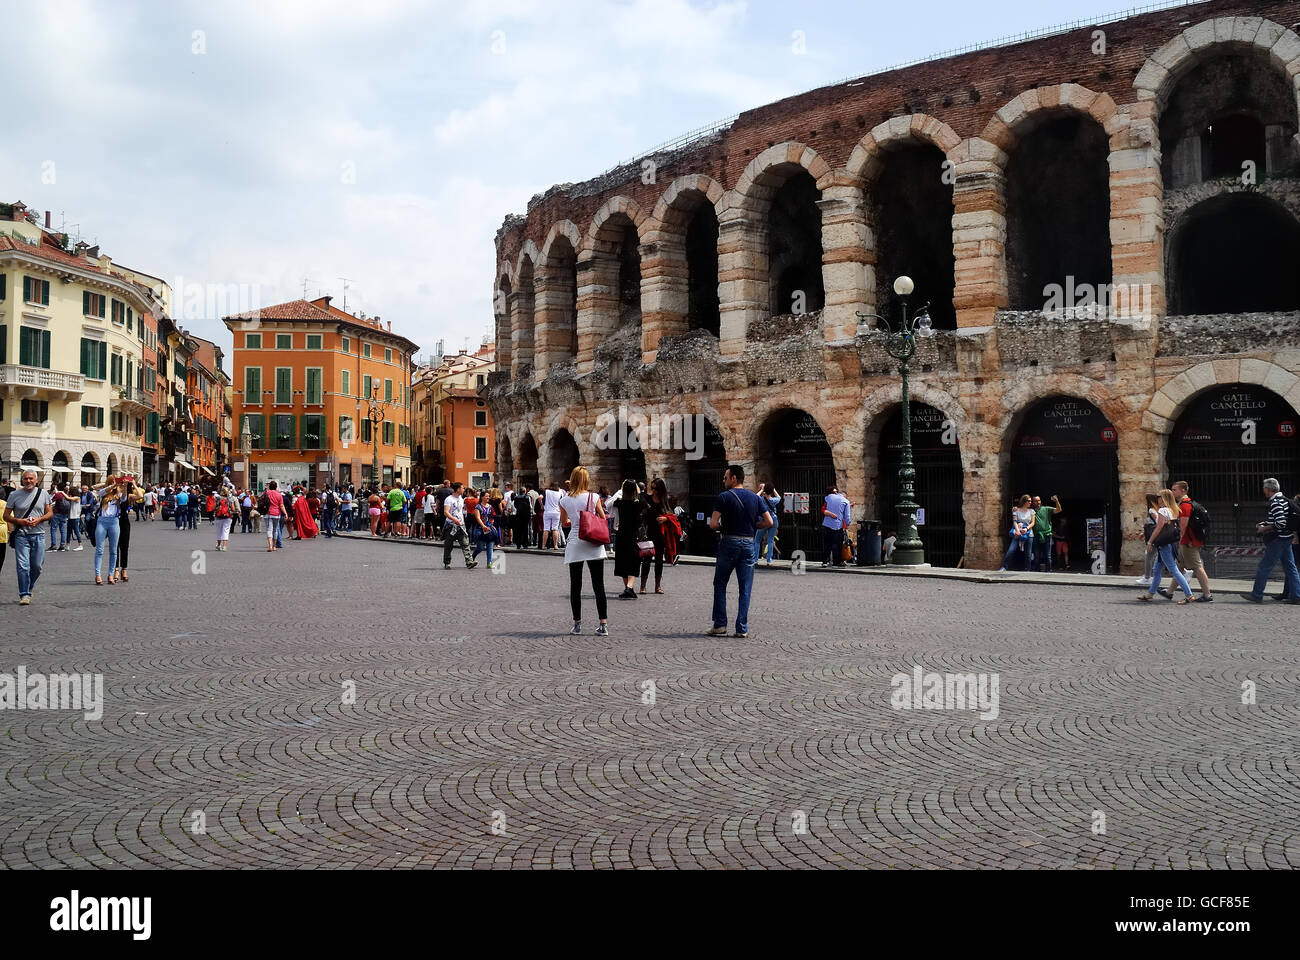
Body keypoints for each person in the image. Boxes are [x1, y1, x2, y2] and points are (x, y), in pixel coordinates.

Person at [706, 465, 772, 638]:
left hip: (729, 542)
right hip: (749, 544)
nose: (723, 480)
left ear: (734, 478)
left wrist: (724, 526)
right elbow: (769, 522)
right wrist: (753, 526)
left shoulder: (724, 497)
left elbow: (713, 524)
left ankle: (720, 624)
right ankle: (742, 628)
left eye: (725, 477)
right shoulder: (755, 498)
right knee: (745, 588)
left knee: (720, 584)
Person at [557, 466, 609, 636]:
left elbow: (564, 523)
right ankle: (603, 625)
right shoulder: (594, 497)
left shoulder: (564, 500)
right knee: (598, 584)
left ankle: (577, 624)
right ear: (587, 480)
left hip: (575, 542)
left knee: (575, 585)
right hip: (593, 541)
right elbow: (602, 518)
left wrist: (576, 521)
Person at [1242, 478, 1300, 604]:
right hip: (1287, 538)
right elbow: (1281, 520)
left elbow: (1280, 523)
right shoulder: (1284, 500)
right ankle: (1296, 595)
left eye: (1264, 488)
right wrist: (1266, 523)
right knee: (1291, 567)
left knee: (1264, 567)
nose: (1263, 490)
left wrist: (1264, 529)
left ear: (1268, 489)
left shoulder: (1275, 503)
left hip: (1278, 539)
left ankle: (1257, 594)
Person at [1139, 488, 1196, 603]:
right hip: (1171, 543)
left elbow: (1159, 527)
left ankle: (1189, 595)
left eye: (1159, 497)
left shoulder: (1163, 510)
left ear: (1163, 498)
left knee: (1174, 570)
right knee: (1157, 569)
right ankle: (1151, 593)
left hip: (1164, 544)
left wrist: (1150, 541)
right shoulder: (1174, 509)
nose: (1158, 499)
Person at [5, 470, 53, 604]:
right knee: (23, 566)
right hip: (21, 535)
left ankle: (30, 586)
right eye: (25, 479)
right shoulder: (14, 495)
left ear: (36, 480)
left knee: (37, 566)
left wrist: (39, 519)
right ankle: (24, 594)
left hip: (39, 535)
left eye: (31, 478)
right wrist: (19, 521)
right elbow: (6, 516)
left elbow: (50, 513)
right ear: (22, 480)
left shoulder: (43, 494)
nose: (28, 481)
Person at [1171, 480, 1213, 603]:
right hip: (1188, 541)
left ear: (1183, 491)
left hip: (1188, 541)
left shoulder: (1184, 505)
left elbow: (1183, 526)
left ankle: (1207, 594)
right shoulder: (1185, 503)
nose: (1173, 492)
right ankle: (1169, 592)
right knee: (1179, 568)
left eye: (1175, 490)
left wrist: (1179, 539)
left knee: (1197, 567)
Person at [641, 477, 676, 594]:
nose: (653, 490)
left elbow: (673, 516)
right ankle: (643, 586)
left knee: (659, 560)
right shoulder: (646, 498)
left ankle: (657, 586)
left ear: (660, 489)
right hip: (648, 532)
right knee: (646, 559)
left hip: (661, 534)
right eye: (652, 488)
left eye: (655, 488)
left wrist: (665, 518)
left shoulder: (666, 500)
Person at [612, 479, 643, 599]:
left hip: (621, 534)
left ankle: (628, 589)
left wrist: (622, 488)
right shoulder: (638, 504)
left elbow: (610, 503)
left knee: (622, 561)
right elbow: (645, 503)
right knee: (634, 561)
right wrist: (638, 491)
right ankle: (629, 588)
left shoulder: (619, 503)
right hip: (633, 535)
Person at [91, 476, 125, 586]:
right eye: (113, 482)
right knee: (99, 550)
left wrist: (124, 487)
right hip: (102, 521)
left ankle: (110, 574)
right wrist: (112, 486)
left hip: (114, 522)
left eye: (116, 482)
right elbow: (99, 490)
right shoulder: (103, 493)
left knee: (113, 550)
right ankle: (98, 575)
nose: (115, 484)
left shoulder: (118, 495)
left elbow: (124, 498)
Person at [441, 482, 478, 569]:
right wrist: (454, 519)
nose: (464, 489)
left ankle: (469, 562)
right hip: (451, 525)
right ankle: (447, 562)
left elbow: (460, 511)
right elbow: (446, 512)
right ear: (458, 489)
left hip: (461, 525)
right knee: (448, 545)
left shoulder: (462, 499)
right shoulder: (449, 499)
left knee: (465, 543)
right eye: (462, 488)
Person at [114, 476, 143, 580]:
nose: (123, 485)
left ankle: (124, 569)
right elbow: (96, 487)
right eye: (122, 484)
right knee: (115, 547)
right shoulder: (114, 494)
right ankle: (116, 569)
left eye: (124, 484)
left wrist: (134, 484)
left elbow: (140, 496)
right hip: (114, 522)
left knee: (124, 546)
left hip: (125, 522)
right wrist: (115, 483)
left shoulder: (129, 495)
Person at [998, 495, 1035, 571]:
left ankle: (1027, 569)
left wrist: (1026, 529)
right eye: (1029, 501)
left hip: (1028, 533)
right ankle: (1004, 566)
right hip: (1017, 532)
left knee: (1028, 553)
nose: (1030, 502)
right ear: (1024, 501)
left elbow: (1033, 522)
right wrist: (1018, 531)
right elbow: (1015, 521)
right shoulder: (1016, 510)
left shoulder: (1032, 511)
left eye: (1031, 501)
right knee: (1011, 550)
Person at [821, 485, 851, 567]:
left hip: (827, 524)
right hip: (838, 526)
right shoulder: (846, 501)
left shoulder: (828, 497)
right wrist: (848, 524)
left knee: (827, 544)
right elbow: (847, 516)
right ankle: (836, 562)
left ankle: (825, 561)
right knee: (837, 544)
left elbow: (825, 508)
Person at [469, 488, 498, 568]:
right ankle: (471, 558)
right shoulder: (478, 507)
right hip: (480, 529)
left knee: (490, 547)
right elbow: (478, 518)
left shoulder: (490, 507)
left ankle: (489, 563)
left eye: (489, 496)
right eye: (486, 496)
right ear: (482, 497)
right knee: (480, 547)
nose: (488, 498)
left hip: (489, 529)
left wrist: (491, 524)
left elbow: (493, 516)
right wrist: (483, 526)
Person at [754, 481, 781, 566]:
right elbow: (779, 497)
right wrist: (773, 490)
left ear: (765, 490)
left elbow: (755, 497)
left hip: (764, 521)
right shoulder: (773, 500)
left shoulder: (761, 500)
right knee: (770, 540)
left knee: (757, 540)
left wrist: (762, 490)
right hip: (774, 520)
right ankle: (769, 560)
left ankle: (755, 559)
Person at [1032, 495, 1061, 572]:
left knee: (1047, 555)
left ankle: (1049, 571)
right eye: (1036, 500)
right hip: (1036, 535)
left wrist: (1057, 501)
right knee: (1037, 554)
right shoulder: (1031, 511)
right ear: (1033, 502)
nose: (1038, 502)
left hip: (1047, 535)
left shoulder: (1046, 509)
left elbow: (1058, 510)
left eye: (1039, 500)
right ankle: (1036, 571)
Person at [262, 480, 284, 552]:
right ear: (276, 487)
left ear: (269, 486)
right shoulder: (279, 494)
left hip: (267, 513)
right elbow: (281, 505)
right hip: (276, 514)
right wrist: (285, 513)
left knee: (269, 530)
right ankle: (274, 546)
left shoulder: (265, 493)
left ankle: (270, 546)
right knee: (275, 530)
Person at [541, 480, 563, 550]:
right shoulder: (560, 493)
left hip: (547, 511)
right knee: (555, 529)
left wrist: (542, 505)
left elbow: (540, 498)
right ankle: (555, 545)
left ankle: (543, 545)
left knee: (546, 529)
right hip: (556, 512)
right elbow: (561, 503)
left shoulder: (546, 491)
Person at [213, 484, 235, 550]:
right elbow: (233, 508)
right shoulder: (230, 498)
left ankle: (218, 545)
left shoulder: (217, 498)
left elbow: (214, 507)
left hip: (218, 517)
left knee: (219, 531)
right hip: (227, 517)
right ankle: (224, 546)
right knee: (226, 531)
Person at [514, 482, 533, 550]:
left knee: (518, 530)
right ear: (525, 491)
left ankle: (518, 544)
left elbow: (515, 505)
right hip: (526, 514)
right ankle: (525, 544)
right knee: (525, 529)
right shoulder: (527, 497)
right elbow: (530, 506)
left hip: (519, 514)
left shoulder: (516, 497)